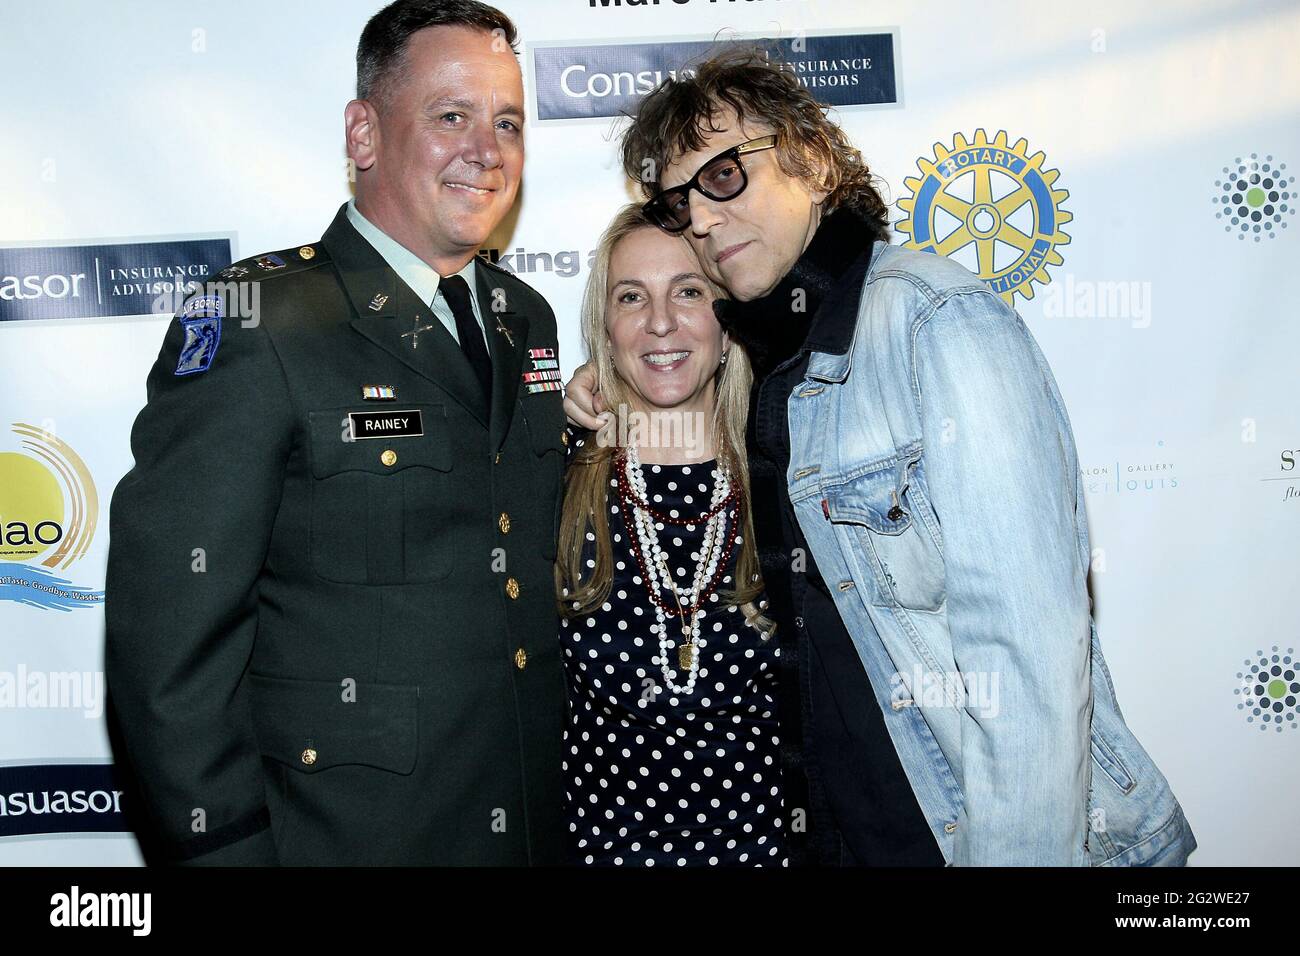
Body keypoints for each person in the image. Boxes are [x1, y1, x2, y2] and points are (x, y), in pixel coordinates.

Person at [565, 48, 1197, 866]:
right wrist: (595, 390)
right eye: (682, 203)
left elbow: (1030, 668)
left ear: (815, 163)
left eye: (725, 176)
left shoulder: (935, 323)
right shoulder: (774, 366)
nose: (705, 220)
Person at [105, 0, 568, 865]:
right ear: (363, 134)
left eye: (507, 121)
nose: (487, 148)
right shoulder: (258, 320)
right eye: (451, 115)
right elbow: (169, 647)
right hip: (346, 840)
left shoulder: (522, 318)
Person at [555, 205, 784, 867]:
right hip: (600, 853)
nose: (660, 322)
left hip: (767, 853)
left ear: (727, 313)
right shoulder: (555, 472)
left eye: (688, 291)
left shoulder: (785, 466)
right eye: (631, 297)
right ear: (605, 325)